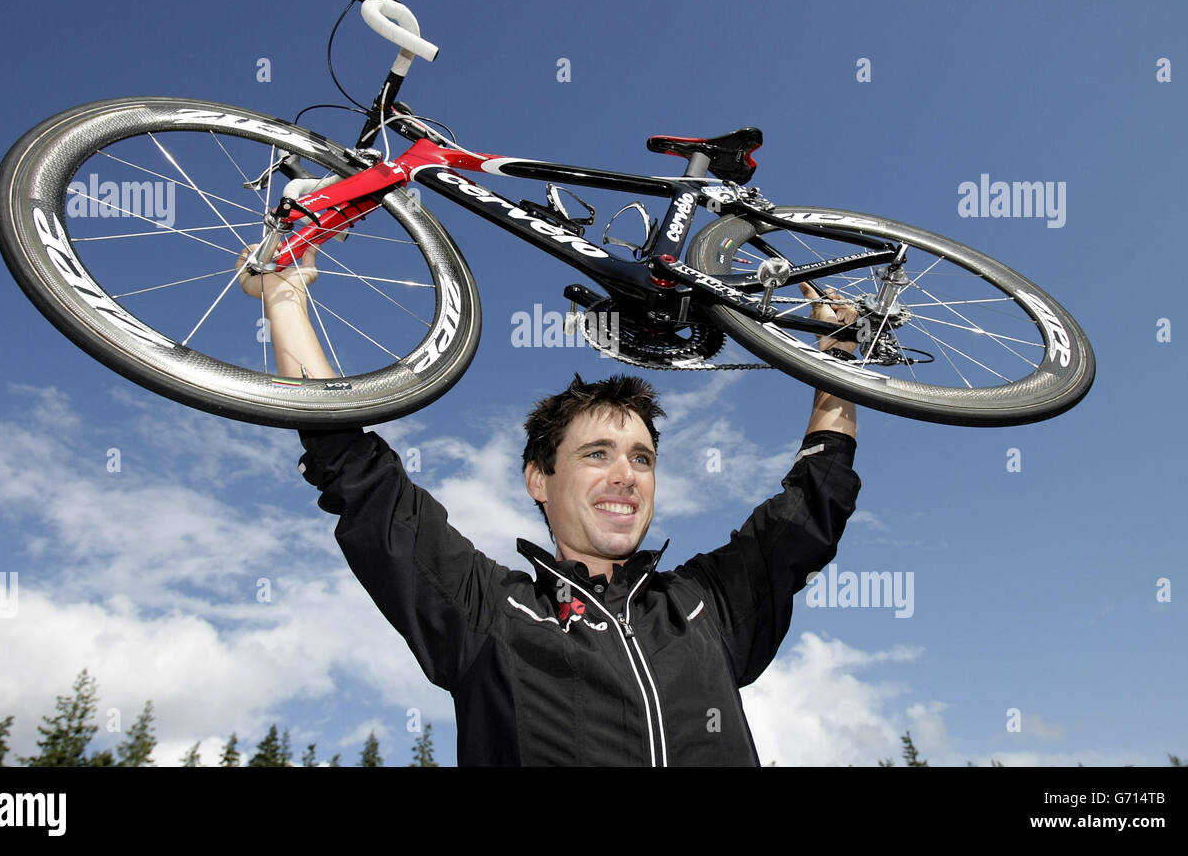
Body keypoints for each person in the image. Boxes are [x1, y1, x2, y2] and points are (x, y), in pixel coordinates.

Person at [240, 247, 861, 765]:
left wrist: (834, 367)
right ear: (540, 479)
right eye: (597, 454)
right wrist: (284, 298)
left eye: (642, 459)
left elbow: (811, 507)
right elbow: (356, 470)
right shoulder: (489, 610)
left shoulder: (705, 604)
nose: (626, 476)